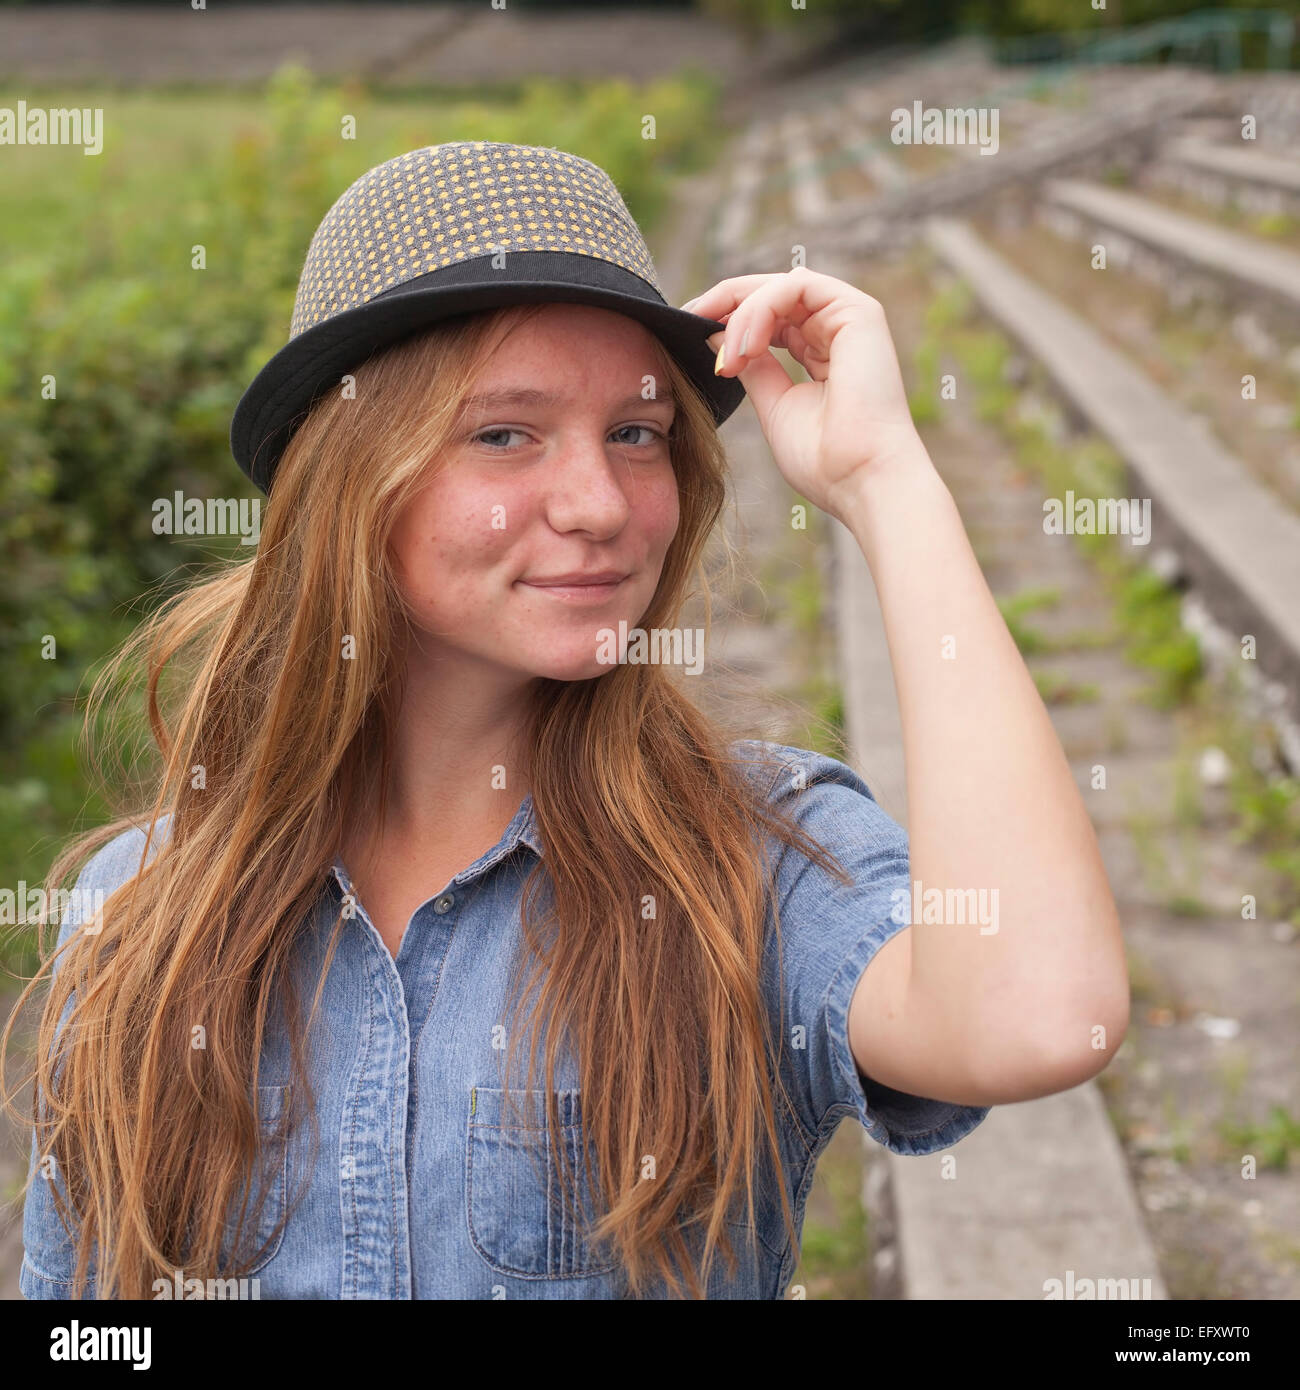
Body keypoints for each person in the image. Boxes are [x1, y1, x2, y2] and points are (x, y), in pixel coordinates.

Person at [6, 142, 1128, 1301]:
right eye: (505, 434)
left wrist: (886, 480)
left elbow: (1038, 1018)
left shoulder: (745, 868)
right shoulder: (144, 914)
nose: (599, 505)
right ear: (350, 482)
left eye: (636, 434)